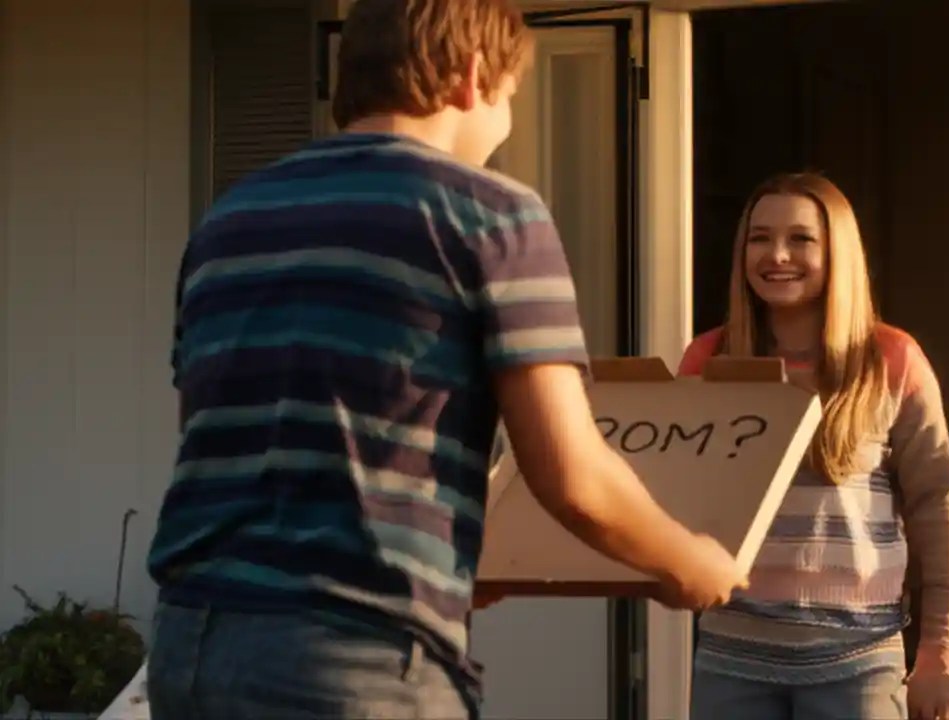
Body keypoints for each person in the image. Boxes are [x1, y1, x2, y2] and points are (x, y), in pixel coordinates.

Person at [143, 1, 746, 717]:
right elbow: (572, 476)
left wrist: (462, 554)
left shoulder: (228, 219)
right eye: (512, 97)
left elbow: (247, 440)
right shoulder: (489, 213)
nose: (508, 124)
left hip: (190, 647)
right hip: (355, 659)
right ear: (471, 78)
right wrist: (688, 562)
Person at [681, 173, 949, 720]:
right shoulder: (706, 359)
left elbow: (938, 506)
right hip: (730, 657)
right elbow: (680, 496)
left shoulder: (894, 360)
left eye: (801, 239)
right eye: (760, 238)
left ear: (837, 249)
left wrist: (938, 655)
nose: (777, 255)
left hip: (858, 662)